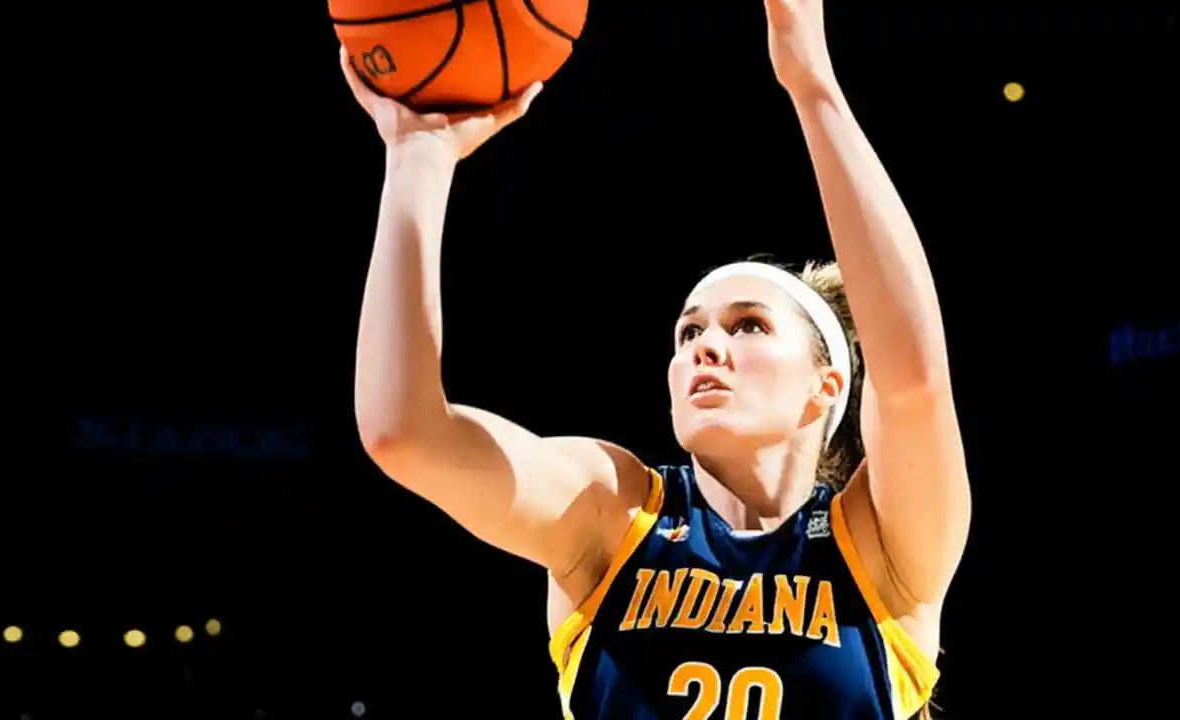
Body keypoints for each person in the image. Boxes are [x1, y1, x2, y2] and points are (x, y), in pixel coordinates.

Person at [348, 1, 971, 717]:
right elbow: (405, 434)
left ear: (825, 385)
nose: (706, 344)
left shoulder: (881, 547)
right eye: (688, 333)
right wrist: (417, 160)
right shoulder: (616, 511)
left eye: (748, 327)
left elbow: (914, 381)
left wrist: (811, 82)